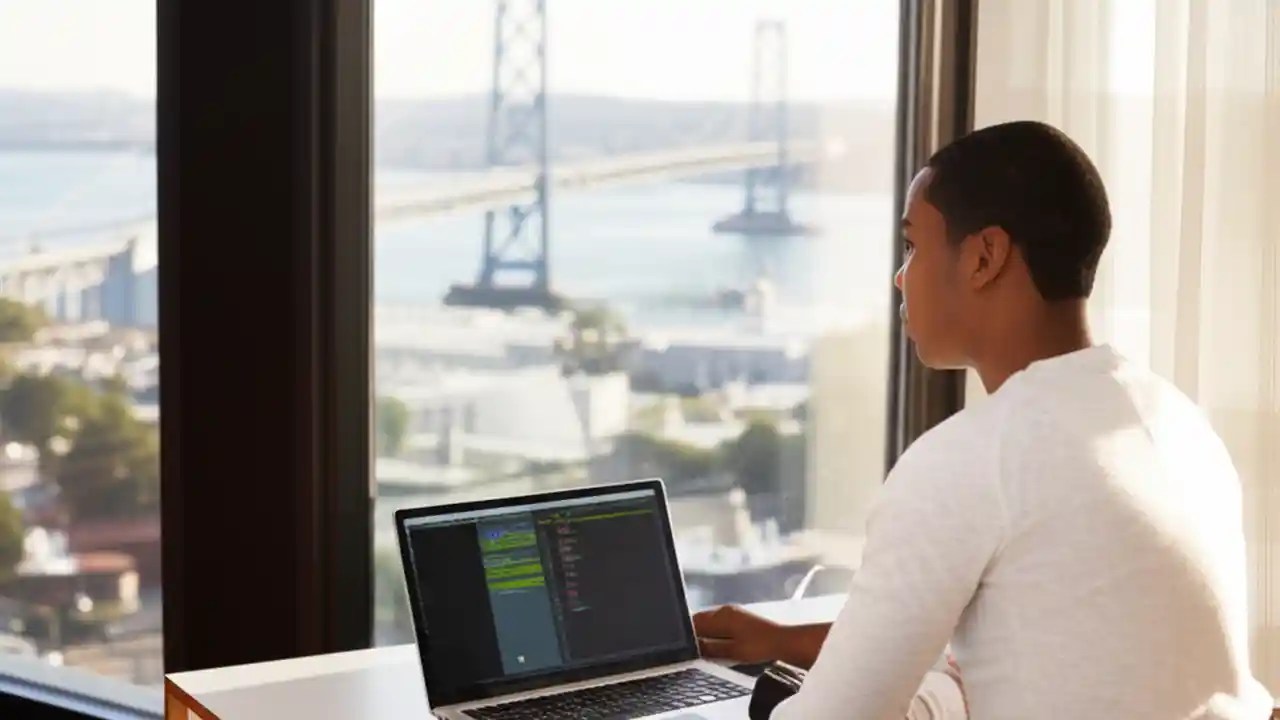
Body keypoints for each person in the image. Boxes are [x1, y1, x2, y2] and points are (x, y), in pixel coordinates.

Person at [694, 121, 1275, 719]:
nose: (901, 276)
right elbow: (1048, 635)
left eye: (914, 246)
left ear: (983, 257)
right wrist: (790, 643)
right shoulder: (1177, 421)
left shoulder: (970, 459)